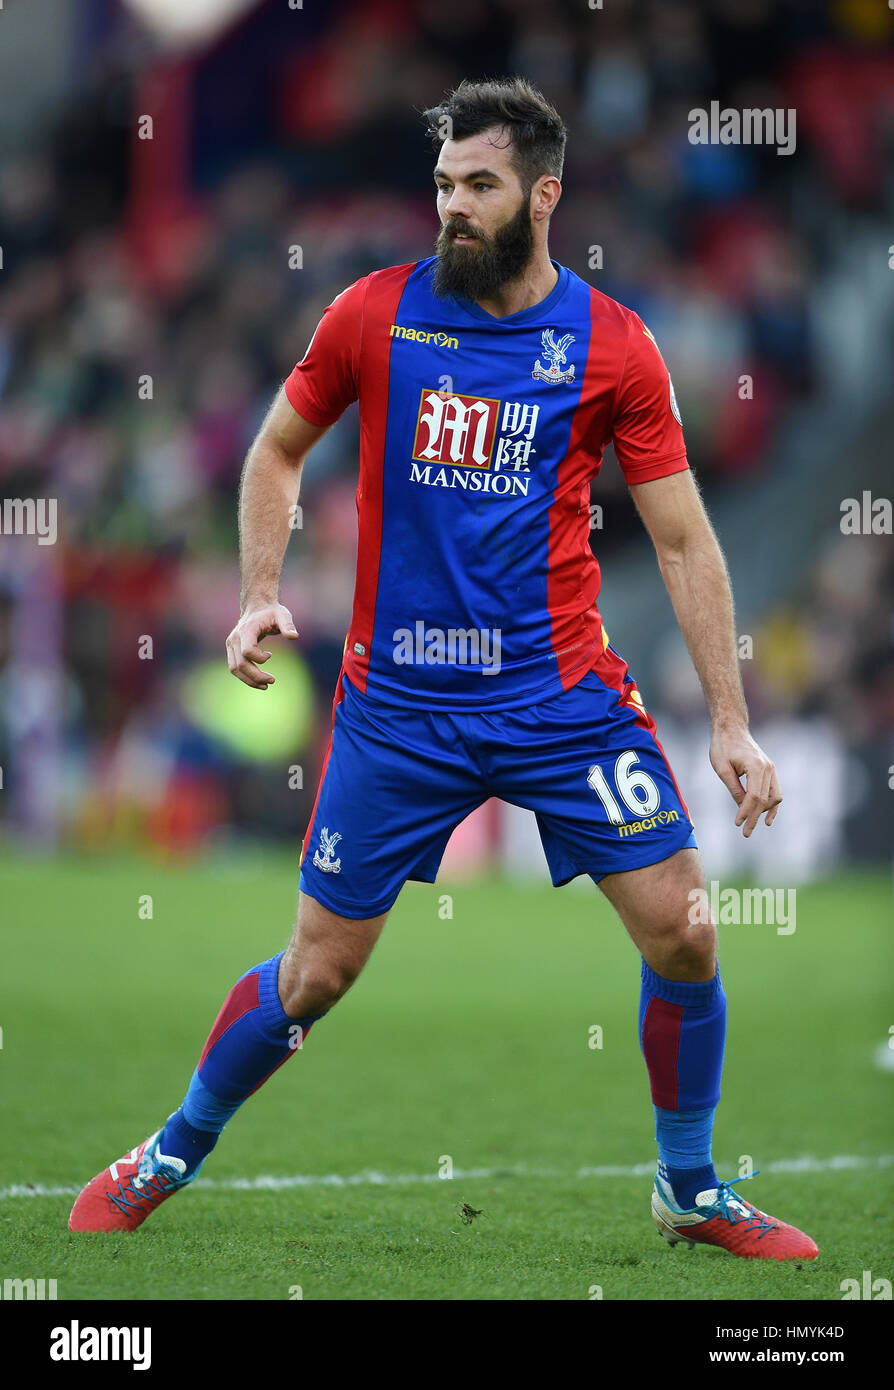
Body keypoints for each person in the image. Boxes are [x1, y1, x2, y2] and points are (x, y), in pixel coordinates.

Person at [70, 78, 816, 1261]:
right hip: (400, 708)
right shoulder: (375, 314)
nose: (454, 208)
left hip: (562, 699)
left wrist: (729, 718)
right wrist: (261, 589)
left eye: (480, 186)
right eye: (443, 186)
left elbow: (682, 537)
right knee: (316, 974)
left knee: (685, 929)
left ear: (545, 194)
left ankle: (690, 1187)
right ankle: (167, 1149)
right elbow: (275, 451)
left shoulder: (613, 344)